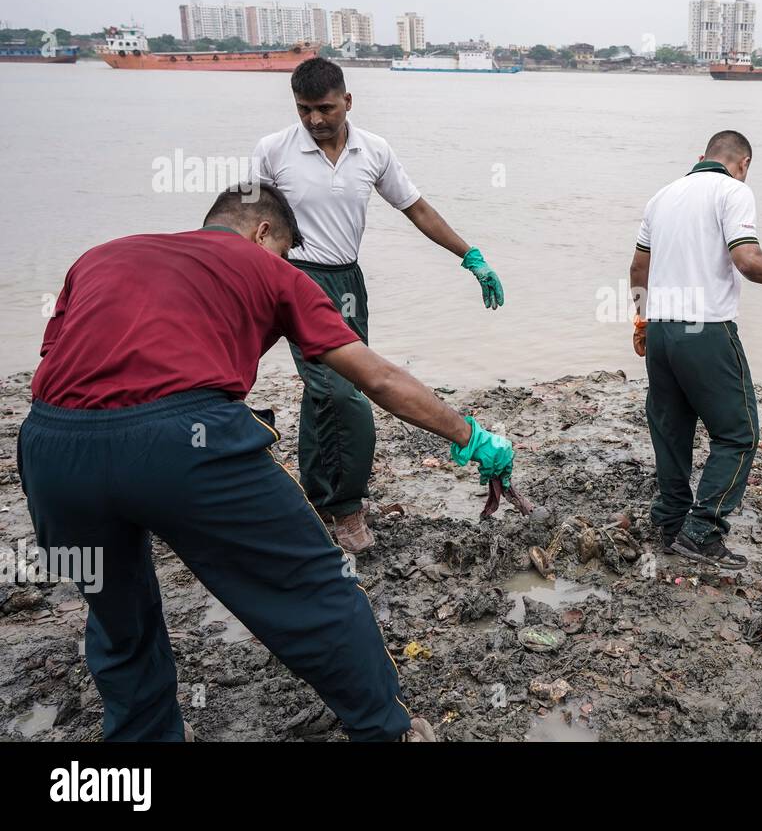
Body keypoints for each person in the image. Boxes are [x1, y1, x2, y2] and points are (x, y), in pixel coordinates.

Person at [18, 185, 515, 740]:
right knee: (314, 591)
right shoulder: (272, 270)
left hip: (51, 446)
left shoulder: (100, 256)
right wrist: (468, 434)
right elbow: (376, 376)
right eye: (283, 250)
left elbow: (61, 359)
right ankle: (386, 730)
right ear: (262, 234)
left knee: (117, 621)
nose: (283, 262)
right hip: (181, 439)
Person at [250, 57, 505, 553]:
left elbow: (417, 208)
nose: (315, 120)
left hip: (346, 281)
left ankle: (317, 494)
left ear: (348, 101)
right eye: (304, 110)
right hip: (289, 275)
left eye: (325, 108)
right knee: (345, 395)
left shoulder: (374, 151)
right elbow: (245, 218)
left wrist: (470, 256)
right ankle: (347, 509)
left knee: (326, 392)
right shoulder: (273, 150)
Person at [628, 130, 762, 569]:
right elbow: (746, 258)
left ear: (701, 156)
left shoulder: (662, 196)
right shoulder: (734, 191)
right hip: (704, 328)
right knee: (738, 434)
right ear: (742, 164)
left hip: (663, 332)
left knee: (672, 427)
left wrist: (642, 318)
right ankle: (702, 530)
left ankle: (669, 521)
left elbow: (637, 268)